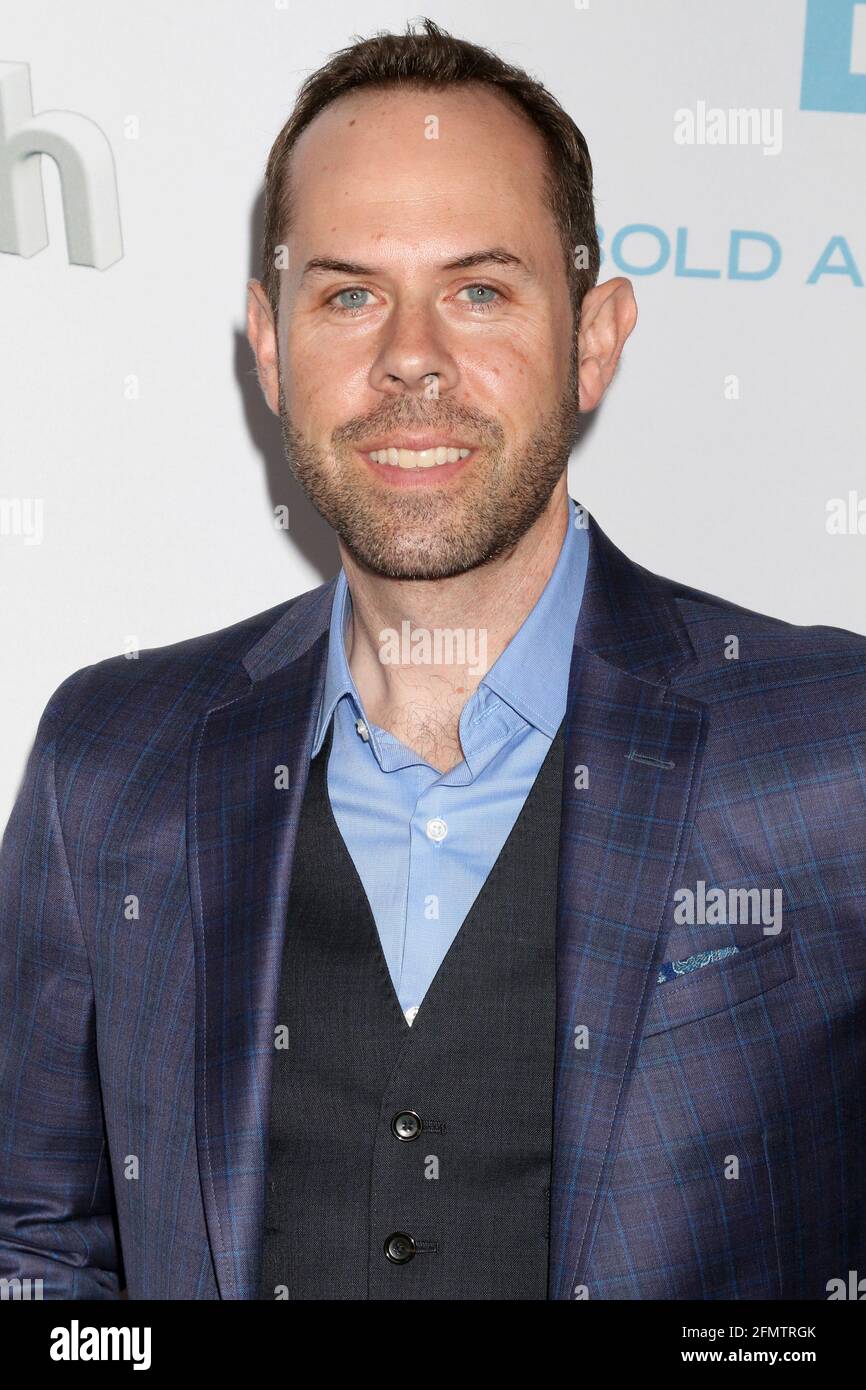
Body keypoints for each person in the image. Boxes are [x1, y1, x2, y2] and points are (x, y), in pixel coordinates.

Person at [1, 18, 864, 1302]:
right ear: (270, 341)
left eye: (478, 288)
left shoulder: (828, 745)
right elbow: (34, 1240)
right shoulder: (111, 758)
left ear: (593, 337)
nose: (410, 356)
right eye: (349, 293)